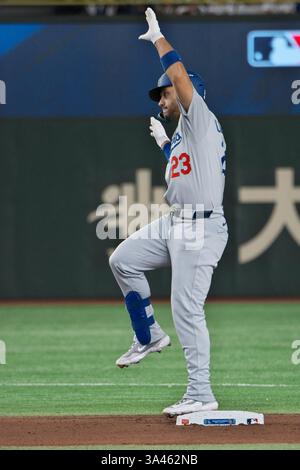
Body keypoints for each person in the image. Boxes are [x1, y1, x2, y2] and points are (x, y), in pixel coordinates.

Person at [109, 7, 228, 417]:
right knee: (122, 260)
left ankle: (201, 392)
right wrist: (165, 144)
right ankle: (149, 336)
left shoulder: (201, 117)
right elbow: (186, 171)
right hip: (176, 223)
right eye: (160, 95)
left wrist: (159, 38)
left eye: (165, 93)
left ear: (188, 92)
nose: (161, 99)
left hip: (201, 226)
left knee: (186, 308)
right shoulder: (183, 137)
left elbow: (178, 75)